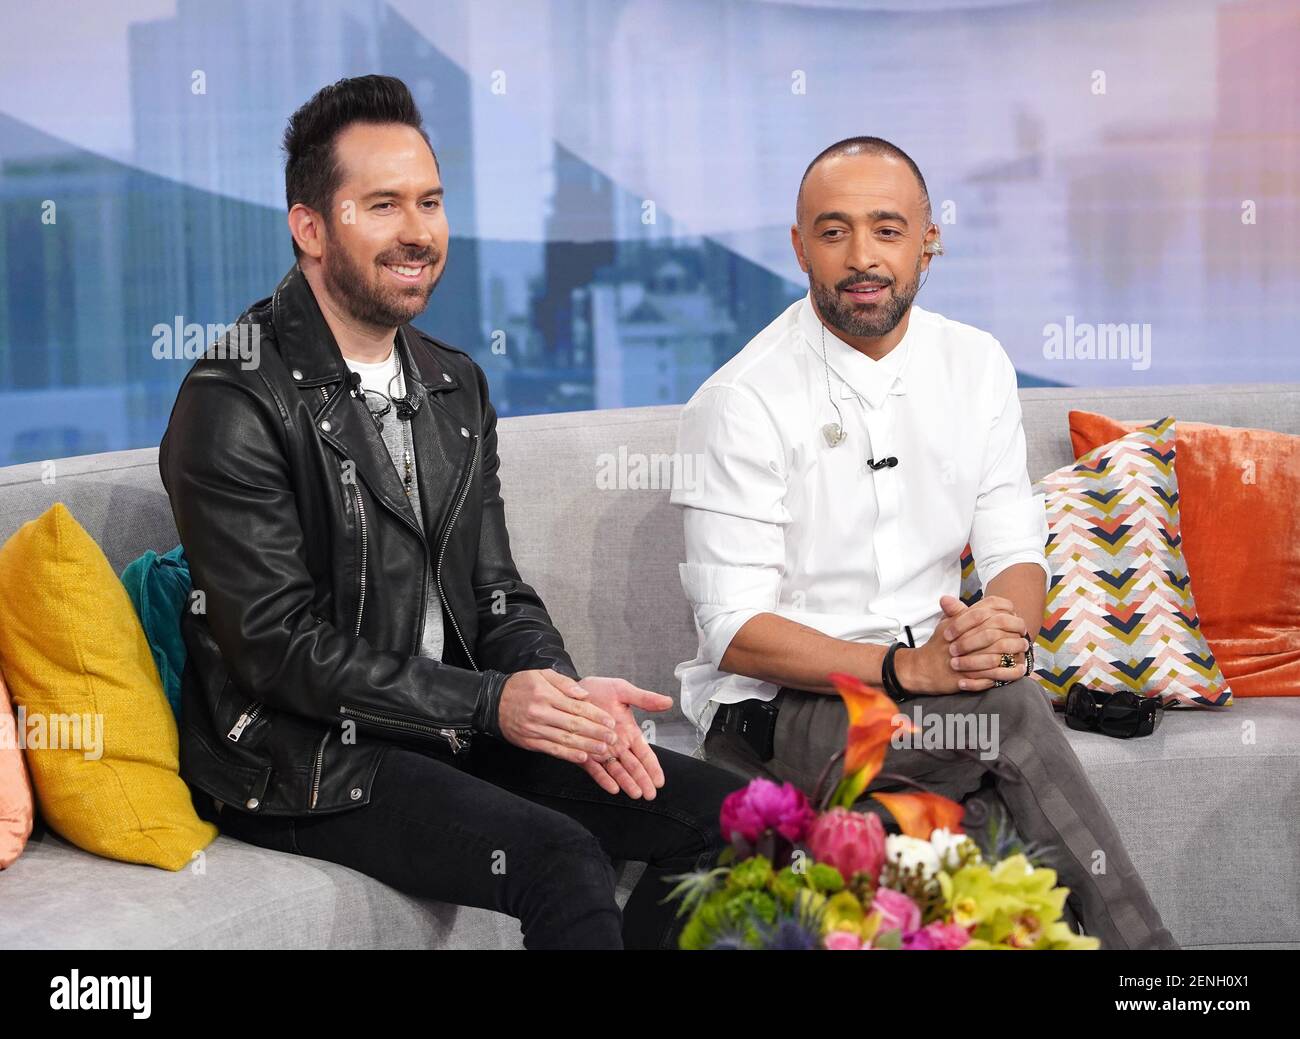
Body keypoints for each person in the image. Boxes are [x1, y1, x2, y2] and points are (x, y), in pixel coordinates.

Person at [159, 74, 742, 950]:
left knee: (739, 819)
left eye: (430, 202)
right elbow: (279, 648)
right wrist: (490, 704)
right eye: (383, 204)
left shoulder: (451, 382)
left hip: (450, 720)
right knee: (561, 857)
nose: (418, 231)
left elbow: (497, 591)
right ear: (311, 227)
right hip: (304, 756)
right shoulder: (233, 399)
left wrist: (562, 695)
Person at [670, 136, 1178, 950]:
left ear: (928, 241)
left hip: (932, 706)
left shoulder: (974, 363)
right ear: (799, 247)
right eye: (833, 232)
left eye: (887, 229)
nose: (862, 257)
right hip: (793, 714)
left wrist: (998, 631)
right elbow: (731, 631)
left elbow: (1016, 551)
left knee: (978, 810)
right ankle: (1158, 968)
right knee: (1007, 712)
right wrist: (908, 669)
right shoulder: (742, 399)